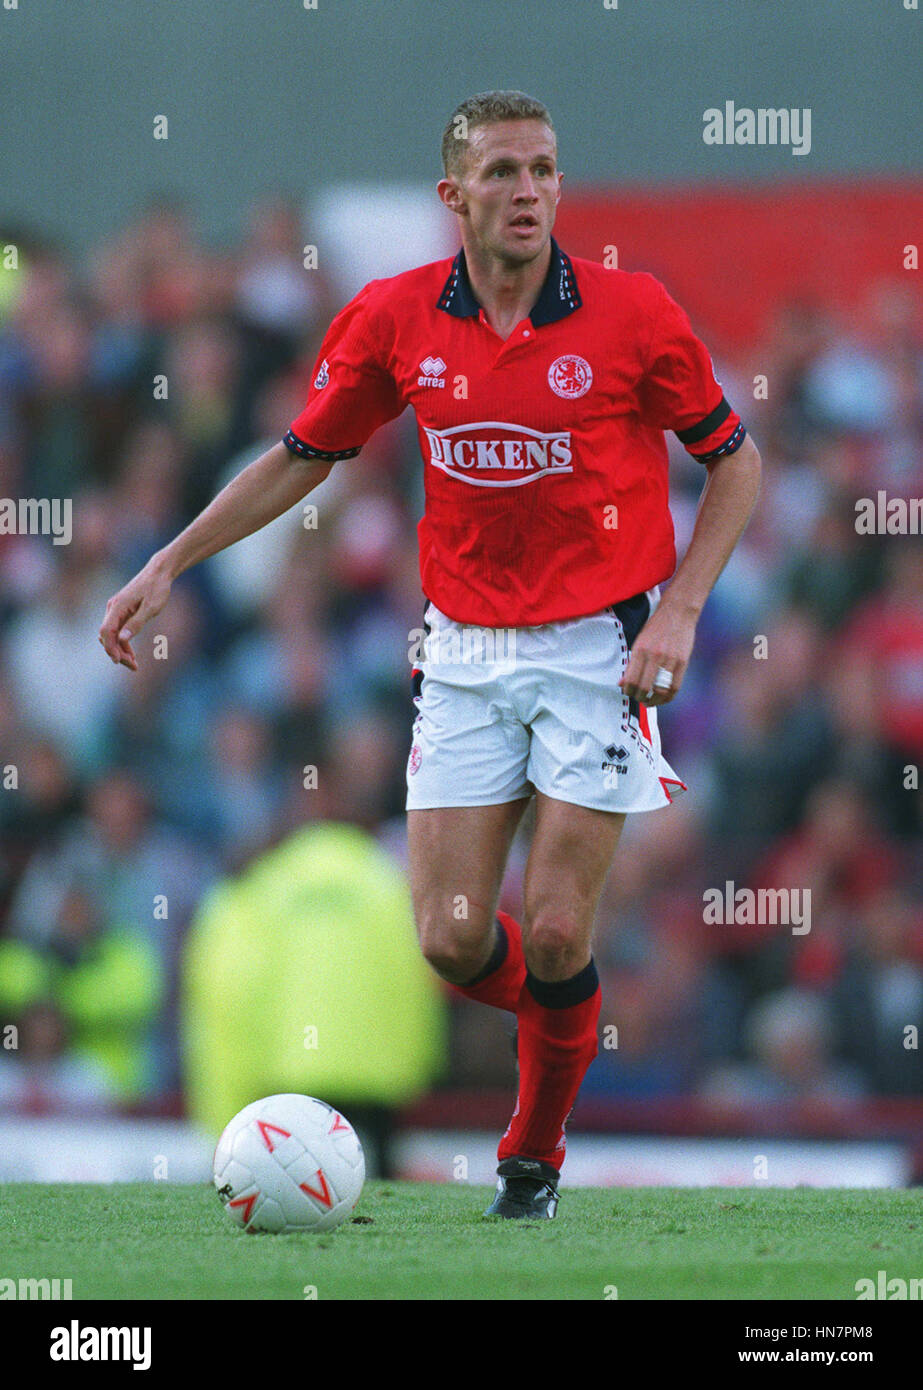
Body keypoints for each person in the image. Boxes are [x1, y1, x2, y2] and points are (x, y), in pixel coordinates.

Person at [99, 90, 761, 1219]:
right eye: (502, 173)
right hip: (459, 652)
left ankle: (532, 1154)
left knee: (555, 927)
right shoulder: (393, 318)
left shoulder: (632, 314)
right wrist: (172, 557)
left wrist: (679, 611)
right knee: (455, 943)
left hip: (596, 647)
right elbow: (303, 455)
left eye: (544, 170)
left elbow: (735, 464)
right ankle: (569, 1016)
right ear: (454, 196)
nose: (527, 192)